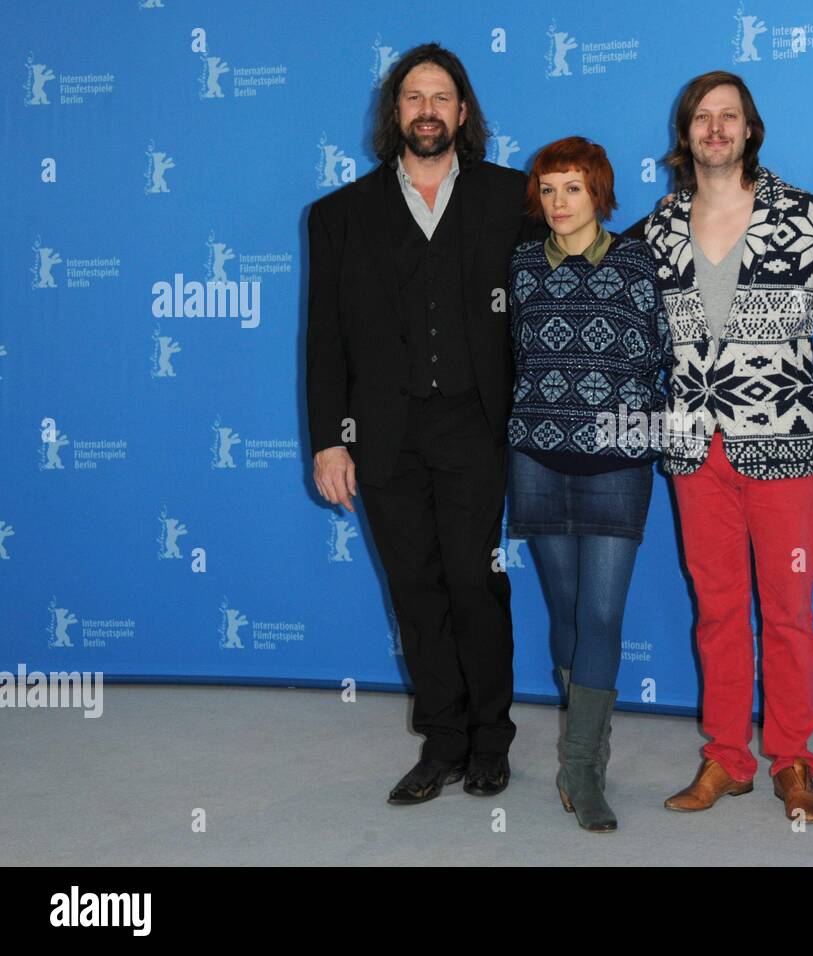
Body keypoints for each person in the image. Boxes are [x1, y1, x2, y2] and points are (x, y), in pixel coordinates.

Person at [306, 43, 542, 806]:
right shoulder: (339, 215)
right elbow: (325, 338)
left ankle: (490, 740)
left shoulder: (515, 200)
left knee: (475, 583)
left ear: (463, 113)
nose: (429, 110)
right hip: (383, 435)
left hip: (477, 429)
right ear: (395, 113)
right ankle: (441, 741)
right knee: (414, 586)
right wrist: (327, 439)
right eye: (414, 98)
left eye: (442, 97)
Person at [640, 71, 813, 823]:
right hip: (694, 447)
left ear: (751, 130)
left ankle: (792, 759)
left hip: (784, 445)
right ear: (685, 133)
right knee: (718, 609)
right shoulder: (657, 231)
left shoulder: (806, 216)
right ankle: (727, 757)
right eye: (701, 117)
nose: (715, 128)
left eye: (730, 116)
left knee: (788, 610)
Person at [506, 137, 672, 833]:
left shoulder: (640, 264)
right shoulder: (519, 266)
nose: (558, 204)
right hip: (538, 460)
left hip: (618, 463)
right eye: (547, 190)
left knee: (601, 617)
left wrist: (662, 435)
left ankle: (584, 771)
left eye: (572, 188)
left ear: (599, 194)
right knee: (566, 613)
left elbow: (670, 358)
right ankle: (582, 760)